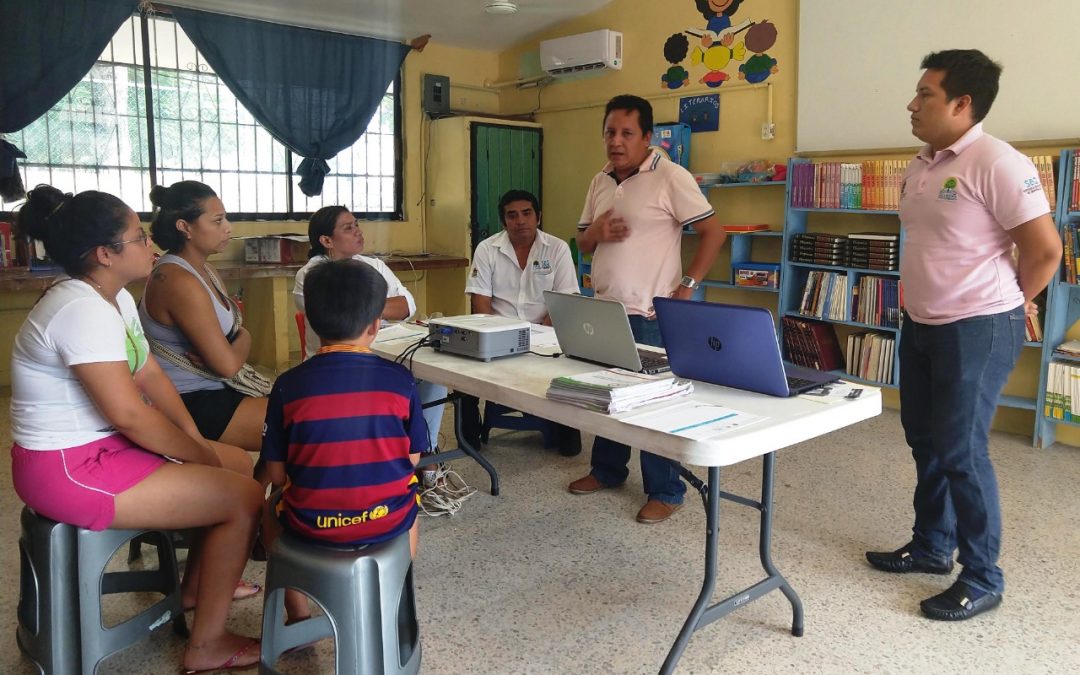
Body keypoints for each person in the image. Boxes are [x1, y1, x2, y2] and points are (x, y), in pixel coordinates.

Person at [10, 185, 264, 673]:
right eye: (139, 238)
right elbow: (131, 413)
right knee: (243, 497)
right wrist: (196, 454)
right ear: (105, 254)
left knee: (232, 462)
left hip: (101, 448)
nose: (151, 245)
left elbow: (150, 376)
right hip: (66, 467)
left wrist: (198, 443)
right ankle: (207, 645)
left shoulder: (116, 299)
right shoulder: (78, 310)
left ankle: (194, 590)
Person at [866, 50, 1061, 621]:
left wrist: (1002, 307)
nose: (912, 103)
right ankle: (932, 547)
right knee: (924, 440)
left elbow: (1046, 251)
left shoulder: (999, 162)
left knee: (961, 451)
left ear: (962, 103)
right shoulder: (920, 163)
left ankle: (983, 575)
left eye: (925, 94)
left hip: (978, 328)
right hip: (922, 323)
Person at [567, 94, 727, 523]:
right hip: (605, 310)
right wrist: (597, 231)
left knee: (653, 406)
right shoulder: (599, 180)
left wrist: (688, 285)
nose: (616, 142)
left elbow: (713, 232)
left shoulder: (671, 176)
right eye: (610, 132)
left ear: (647, 137)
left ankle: (666, 490)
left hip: (651, 315)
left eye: (626, 133)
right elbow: (582, 241)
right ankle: (607, 470)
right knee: (607, 396)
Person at [262, 258, 425, 623]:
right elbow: (412, 458)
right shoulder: (400, 380)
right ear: (375, 324)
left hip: (310, 523)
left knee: (269, 507)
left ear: (311, 326)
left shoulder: (288, 385)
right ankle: (392, 590)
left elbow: (275, 473)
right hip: (386, 519)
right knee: (411, 495)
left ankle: (297, 611)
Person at [293, 205, 447, 452]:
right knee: (401, 385)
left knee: (435, 377)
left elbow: (408, 306)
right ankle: (401, 456)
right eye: (348, 228)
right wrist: (379, 305)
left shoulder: (373, 265)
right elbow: (343, 315)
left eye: (356, 224)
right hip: (339, 363)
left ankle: (427, 453)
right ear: (326, 240)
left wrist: (365, 305)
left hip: (388, 354)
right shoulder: (311, 274)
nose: (358, 232)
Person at [139, 181, 268, 457]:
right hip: (191, 400)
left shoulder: (204, 270)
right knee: (302, 425)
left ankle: (262, 493)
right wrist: (244, 337)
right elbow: (228, 365)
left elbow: (228, 358)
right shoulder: (178, 280)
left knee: (303, 412)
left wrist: (235, 345)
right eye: (218, 220)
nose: (228, 227)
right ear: (185, 227)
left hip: (218, 388)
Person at [462, 189, 581, 455]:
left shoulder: (557, 248)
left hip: (547, 332)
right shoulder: (487, 249)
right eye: (512, 215)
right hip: (497, 333)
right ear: (504, 222)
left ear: (538, 217)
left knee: (571, 365)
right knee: (462, 368)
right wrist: (495, 338)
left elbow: (563, 302)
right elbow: (480, 302)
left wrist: (539, 337)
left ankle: (566, 427)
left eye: (527, 213)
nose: (520, 221)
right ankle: (468, 431)